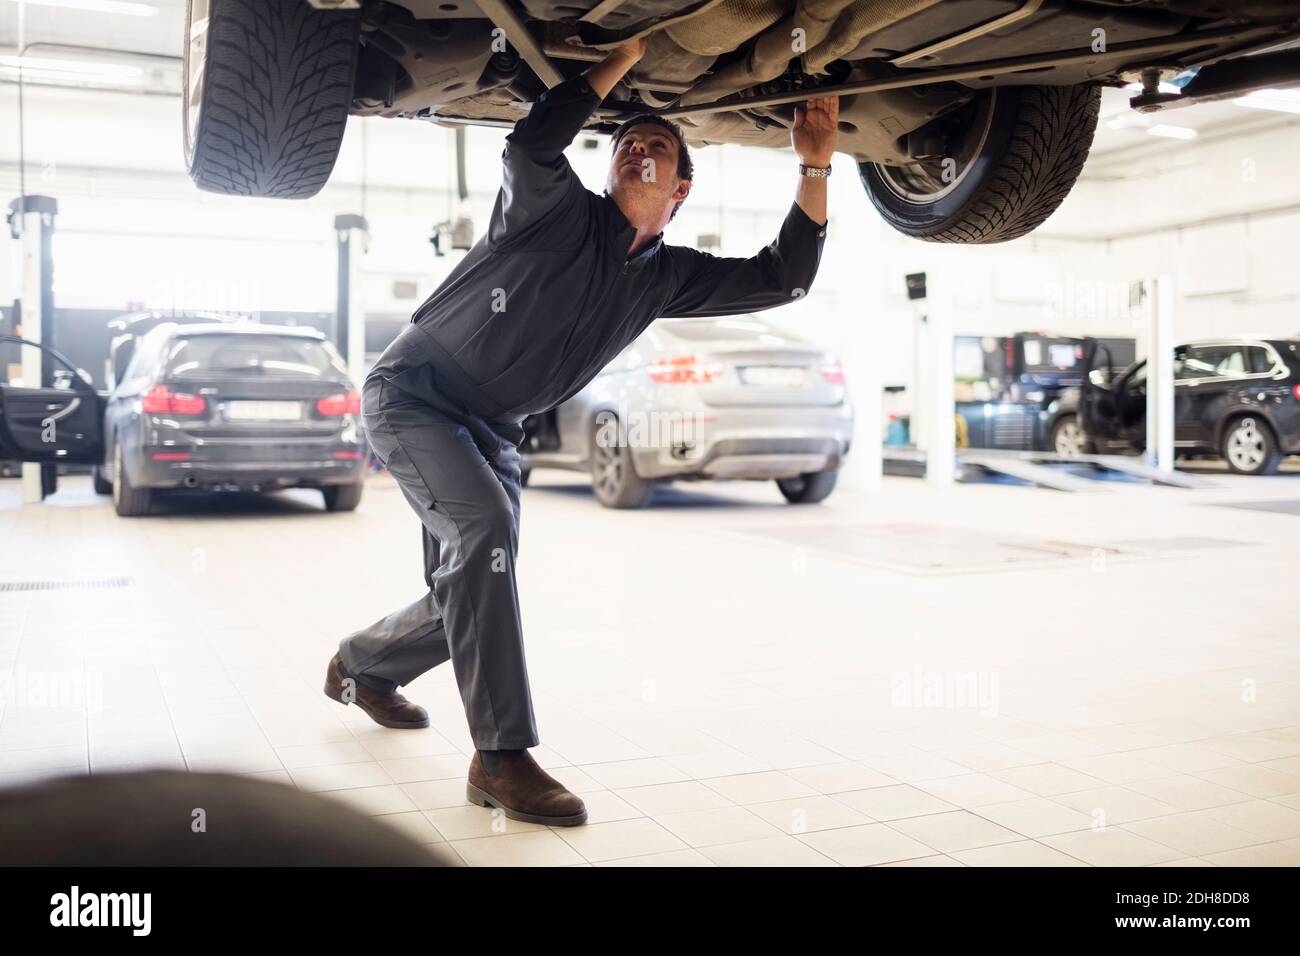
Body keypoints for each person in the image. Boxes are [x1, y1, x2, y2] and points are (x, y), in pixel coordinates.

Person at [325, 37, 839, 826]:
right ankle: (500, 758)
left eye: (659, 147)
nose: (640, 148)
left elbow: (785, 276)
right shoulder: (553, 209)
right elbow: (531, 140)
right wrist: (620, 61)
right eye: (628, 142)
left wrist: (815, 164)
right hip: (415, 396)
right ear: (609, 168)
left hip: (492, 430)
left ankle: (362, 666)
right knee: (484, 536)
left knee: (472, 577)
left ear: (682, 189)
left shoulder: (669, 277)